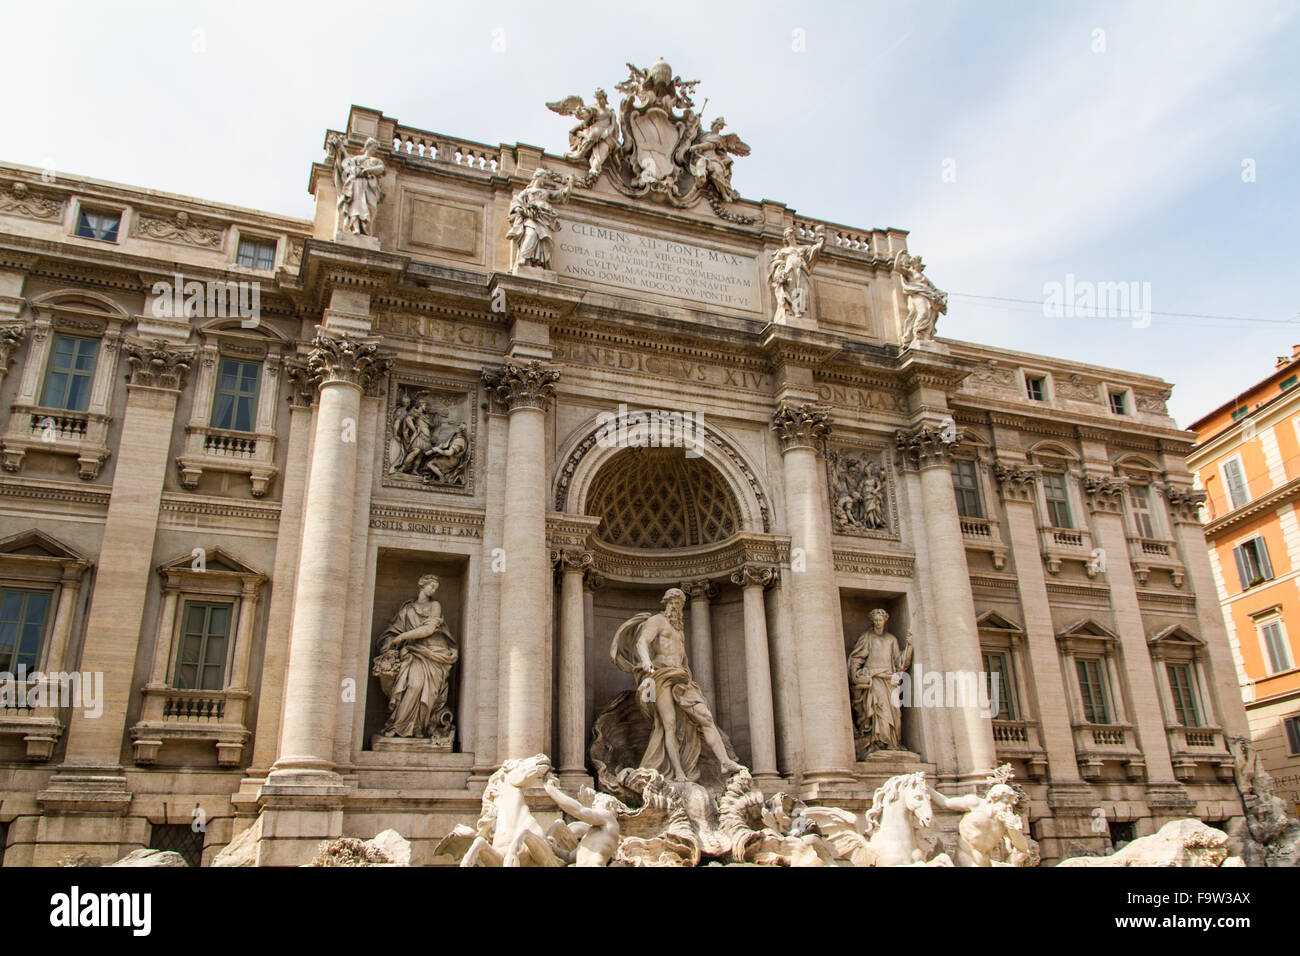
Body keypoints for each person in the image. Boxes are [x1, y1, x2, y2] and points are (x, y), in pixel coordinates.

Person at [611, 588, 742, 782]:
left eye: (680, 604)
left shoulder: (679, 629)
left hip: (680, 678)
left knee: (705, 717)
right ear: (666, 603)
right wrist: (646, 661)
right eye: (673, 603)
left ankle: (724, 761)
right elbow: (642, 642)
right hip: (660, 676)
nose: (676, 607)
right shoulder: (657, 621)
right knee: (669, 724)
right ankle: (678, 772)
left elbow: (682, 656)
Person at [373, 574, 459, 738]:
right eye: (431, 586)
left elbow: (429, 629)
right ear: (422, 585)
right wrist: (392, 642)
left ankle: (418, 727)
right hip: (412, 653)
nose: (433, 590)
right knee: (413, 685)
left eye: (435, 588)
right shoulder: (407, 610)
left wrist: (402, 637)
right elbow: (392, 631)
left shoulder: (435, 605)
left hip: (433, 654)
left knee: (425, 691)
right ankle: (399, 726)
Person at [847, 608, 913, 753]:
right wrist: (855, 675)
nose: (878, 622)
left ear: (885, 620)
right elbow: (857, 657)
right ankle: (879, 742)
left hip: (889, 680)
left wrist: (909, 647)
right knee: (880, 710)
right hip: (875, 679)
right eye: (876, 620)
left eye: (880, 620)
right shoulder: (867, 637)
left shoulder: (891, 639)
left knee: (894, 714)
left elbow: (899, 663)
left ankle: (893, 743)